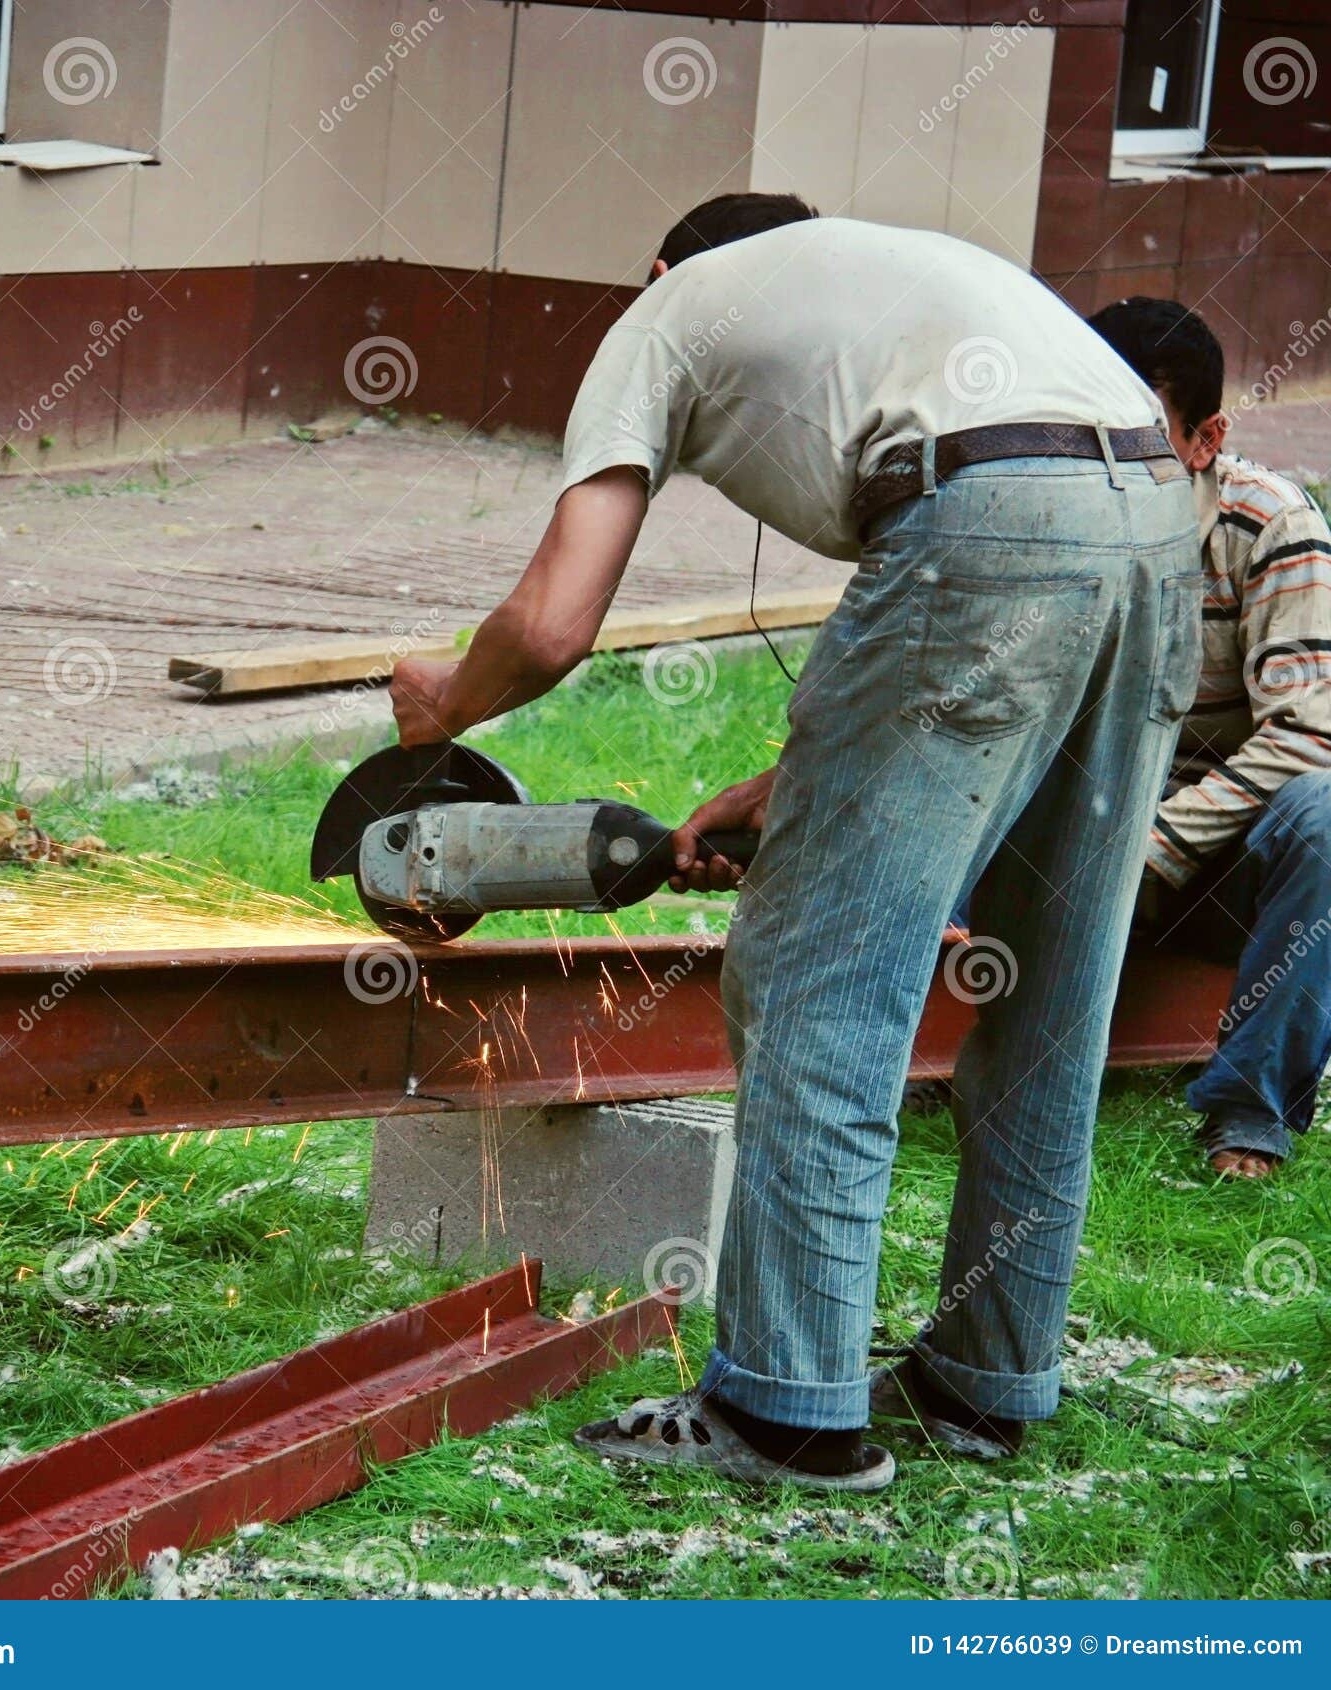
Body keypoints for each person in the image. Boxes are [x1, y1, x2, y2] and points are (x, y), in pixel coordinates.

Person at [389, 193, 1198, 1488]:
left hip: (987, 519)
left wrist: (447, 700)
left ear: (662, 271)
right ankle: (986, 1378)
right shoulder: (870, 278)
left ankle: (787, 1410)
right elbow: (973, 594)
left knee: (816, 980)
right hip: (1157, 517)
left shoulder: (659, 318)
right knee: (1052, 985)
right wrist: (794, 786)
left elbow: (551, 624)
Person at [1089, 297, 1331, 1179]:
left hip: (1222, 862)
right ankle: (933, 1043)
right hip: (1083, 839)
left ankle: (1247, 1112)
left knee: (1326, 817)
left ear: (1205, 437)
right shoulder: (1051, 517)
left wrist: (1151, 847)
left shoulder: (1270, 524)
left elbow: (1309, 734)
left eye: (1140, 436)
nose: (1105, 464)